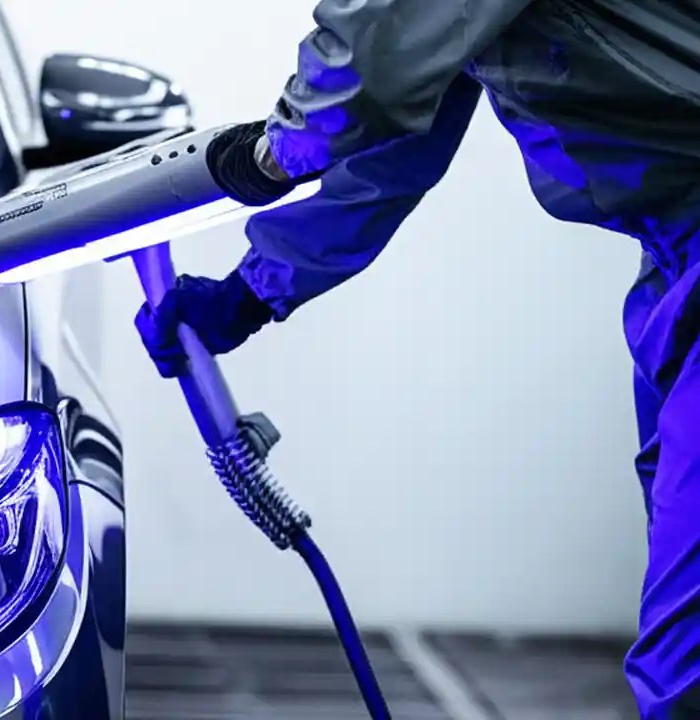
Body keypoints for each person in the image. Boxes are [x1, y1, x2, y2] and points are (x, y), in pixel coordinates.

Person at [133, 2, 700, 717]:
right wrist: (250, 291)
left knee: (687, 667)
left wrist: (263, 159)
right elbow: (399, 140)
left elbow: (368, 72)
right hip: (675, 264)